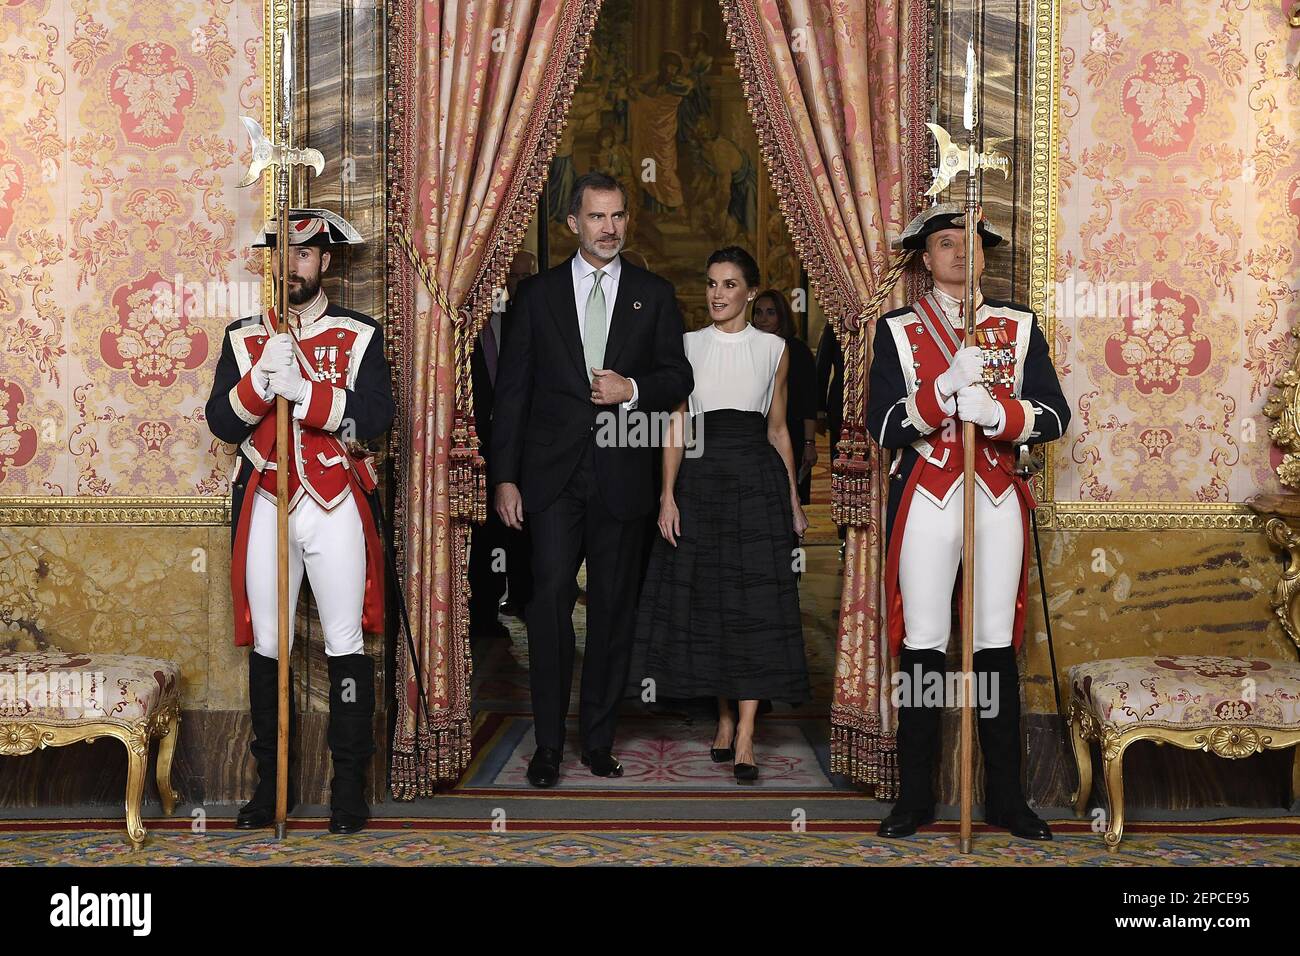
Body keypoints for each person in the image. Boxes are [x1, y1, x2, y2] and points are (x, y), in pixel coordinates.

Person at [866, 203, 1070, 840]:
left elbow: (1055, 416)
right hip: (927, 492)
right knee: (923, 645)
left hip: (997, 496)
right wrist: (941, 394)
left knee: (992, 648)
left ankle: (1009, 800)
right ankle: (916, 797)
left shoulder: (1018, 325)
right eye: (946, 244)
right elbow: (882, 425)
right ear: (925, 259)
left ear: (985, 255)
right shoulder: (897, 329)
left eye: (970, 243)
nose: (959, 253)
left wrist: (998, 412)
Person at [491, 172, 694, 787]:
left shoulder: (653, 294)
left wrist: (630, 390)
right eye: (597, 217)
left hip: (623, 474)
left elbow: (678, 379)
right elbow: (512, 394)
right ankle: (549, 744)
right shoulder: (538, 295)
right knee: (548, 602)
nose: (609, 228)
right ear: (573, 223)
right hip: (551, 480)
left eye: (618, 216)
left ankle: (599, 740)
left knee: (613, 612)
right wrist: (505, 478)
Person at [204, 208, 395, 834]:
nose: (293, 265)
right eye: (284, 254)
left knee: (345, 645)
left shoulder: (360, 333)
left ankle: (348, 790)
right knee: (269, 647)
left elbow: (375, 421)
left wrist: (307, 395)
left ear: (326, 263)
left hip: (335, 501)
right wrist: (262, 380)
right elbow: (224, 424)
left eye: (306, 254)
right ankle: (271, 787)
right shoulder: (242, 336)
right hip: (267, 499)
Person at [635, 246, 810, 784]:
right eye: (711, 283)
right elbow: (677, 425)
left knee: (753, 602)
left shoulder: (776, 349)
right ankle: (724, 716)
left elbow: (778, 429)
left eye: (730, 285)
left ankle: (748, 734)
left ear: (750, 292)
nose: (717, 294)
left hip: (756, 481)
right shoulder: (686, 345)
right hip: (701, 480)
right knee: (712, 601)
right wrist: (667, 495)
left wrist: (793, 500)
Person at [469, 249, 537, 636]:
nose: (512, 287)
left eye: (523, 279)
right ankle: (484, 611)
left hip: (521, 444)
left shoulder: (521, 322)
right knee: (484, 531)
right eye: (510, 278)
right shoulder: (456, 326)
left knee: (520, 526)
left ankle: (526, 598)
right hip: (474, 444)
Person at [752, 289, 817, 505]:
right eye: (758, 312)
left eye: (770, 312)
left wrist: (809, 443)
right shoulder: (748, 347)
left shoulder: (797, 351)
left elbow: (809, 401)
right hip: (755, 433)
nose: (763, 319)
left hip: (791, 432)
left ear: (782, 315)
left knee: (788, 498)